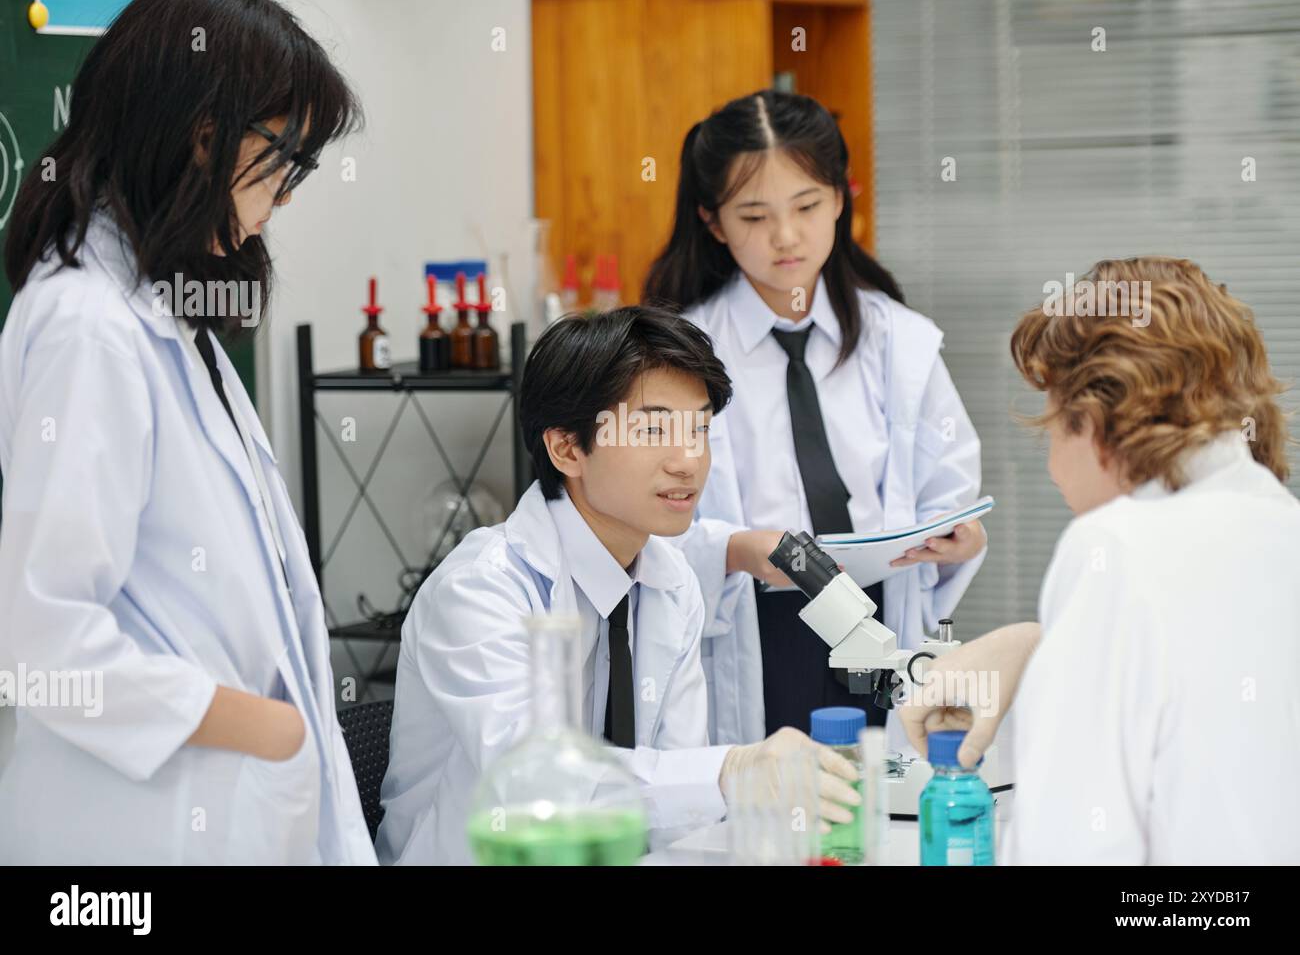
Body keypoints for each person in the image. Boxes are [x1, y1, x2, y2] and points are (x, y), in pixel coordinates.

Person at [0, 0, 374, 863]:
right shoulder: (90, 326)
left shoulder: (171, 312)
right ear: (204, 137)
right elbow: (43, 639)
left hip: (222, 807)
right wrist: (265, 728)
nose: (282, 196)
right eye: (281, 160)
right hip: (142, 826)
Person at [376, 307, 861, 865]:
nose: (689, 461)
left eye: (699, 429)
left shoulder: (670, 581)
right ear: (566, 448)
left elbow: (679, 806)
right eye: (653, 429)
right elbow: (540, 789)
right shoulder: (483, 591)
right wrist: (732, 772)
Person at [900, 257, 1300, 864]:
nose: (1053, 464)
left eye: (1055, 426)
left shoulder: (1115, 546)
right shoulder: (1279, 526)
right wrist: (1043, 646)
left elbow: (1071, 848)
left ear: (1099, 418)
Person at [644, 90, 986, 746]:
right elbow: (643, 524)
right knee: (770, 818)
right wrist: (733, 549)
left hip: (879, 621)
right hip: (755, 626)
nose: (786, 237)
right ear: (713, 222)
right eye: (754, 215)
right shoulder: (677, 354)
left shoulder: (899, 342)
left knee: (880, 811)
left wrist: (959, 541)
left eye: (806, 206)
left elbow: (949, 496)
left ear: (840, 199)